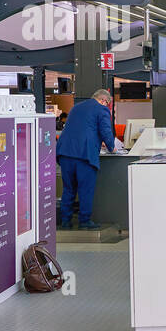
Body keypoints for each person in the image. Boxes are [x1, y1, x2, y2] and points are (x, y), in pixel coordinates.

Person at [56, 89, 115, 230]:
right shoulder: (102, 109)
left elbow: (81, 129)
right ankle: (84, 221)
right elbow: (106, 130)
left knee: (68, 189)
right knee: (85, 189)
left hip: (65, 153)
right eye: (107, 104)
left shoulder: (76, 107)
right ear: (104, 101)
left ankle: (66, 221)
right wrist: (112, 147)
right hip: (84, 155)